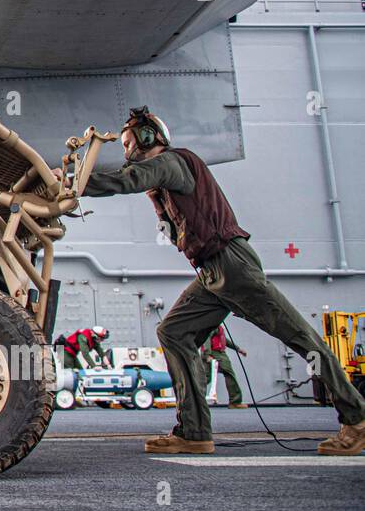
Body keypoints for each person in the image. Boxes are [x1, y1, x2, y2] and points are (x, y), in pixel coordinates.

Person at [72, 106, 365, 456]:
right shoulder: (166, 178)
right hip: (213, 272)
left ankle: (357, 419)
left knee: (301, 336)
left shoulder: (171, 162)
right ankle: (194, 432)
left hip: (231, 265)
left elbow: (127, 179)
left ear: (148, 137)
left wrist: (74, 181)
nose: (125, 150)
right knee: (173, 332)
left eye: (127, 142)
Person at [201, 325, 247, 408]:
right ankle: (235, 401)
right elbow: (206, 338)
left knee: (205, 378)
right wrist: (207, 354)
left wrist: (238, 349)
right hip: (215, 353)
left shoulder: (217, 326)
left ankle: (195, 401)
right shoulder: (213, 325)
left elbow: (224, 340)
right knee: (229, 374)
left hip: (213, 353)